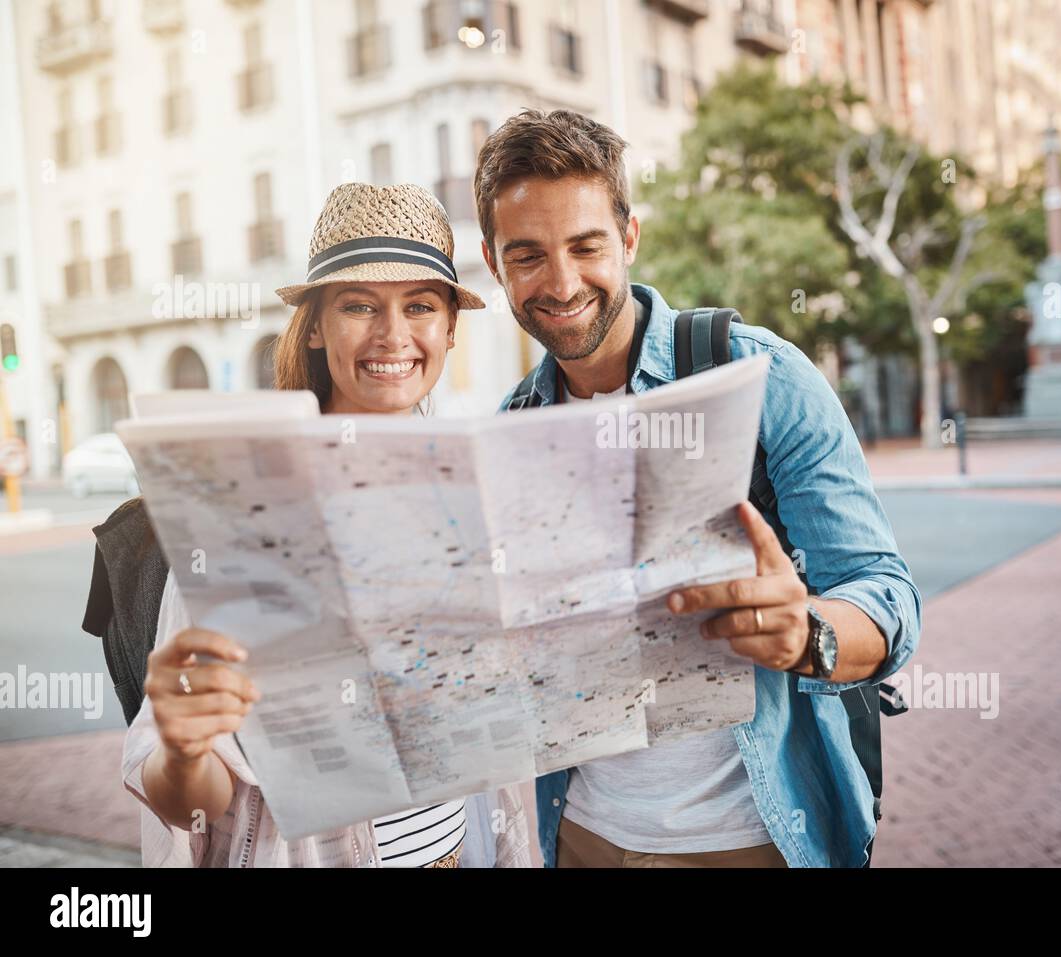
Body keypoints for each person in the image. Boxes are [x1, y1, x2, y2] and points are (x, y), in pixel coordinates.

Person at [474, 109, 922, 868]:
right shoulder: (511, 425)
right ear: (493, 264)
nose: (561, 282)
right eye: (528, 256)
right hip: (581, 833)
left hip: (758, 837)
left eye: (586, 246)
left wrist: (805, 632)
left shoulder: (761, 375)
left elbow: (887, 594)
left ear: (629, 238)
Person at [106, 183, 530, 867]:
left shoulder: (468, 495)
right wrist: (183, 748)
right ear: (313, 325)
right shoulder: (242, 511)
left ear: (450, 326)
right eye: (358, 305)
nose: (393, 335)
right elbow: (190, 804)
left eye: (419, 305)